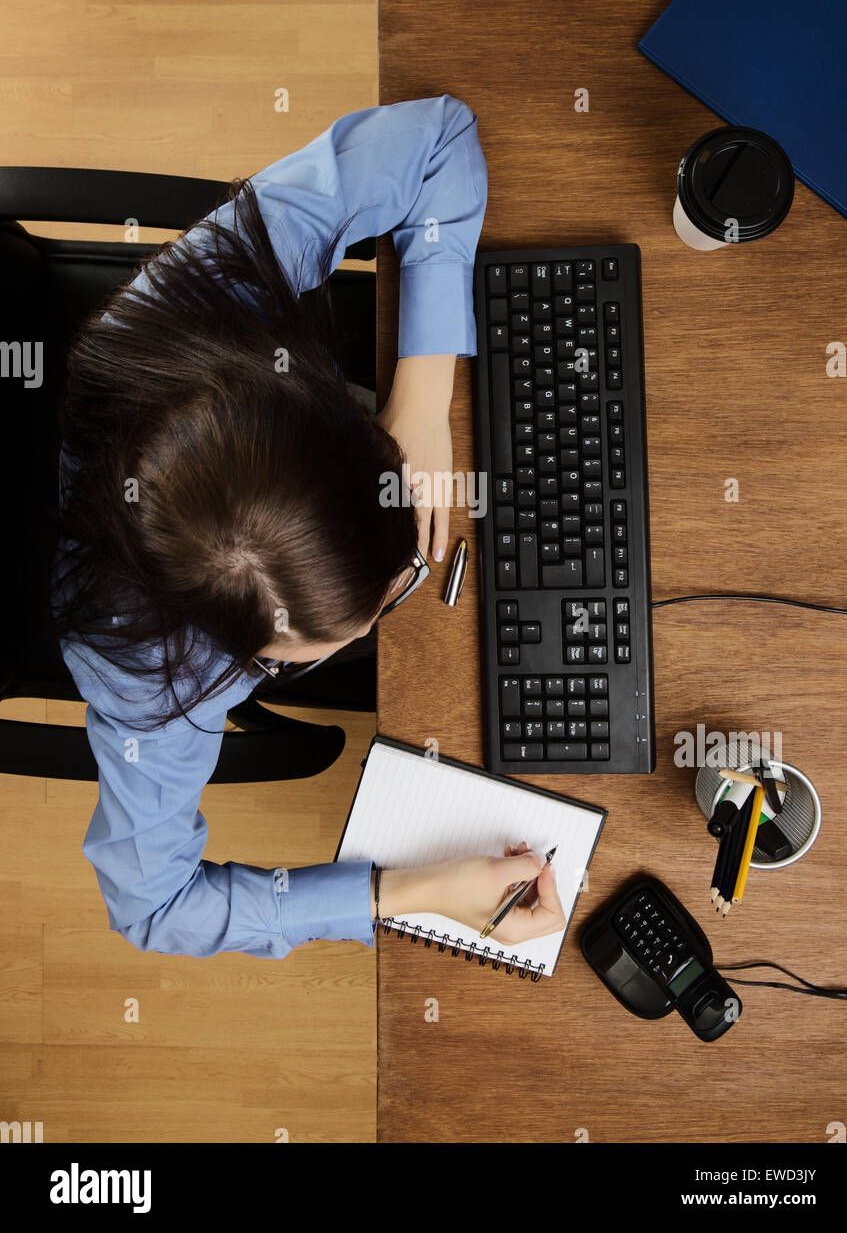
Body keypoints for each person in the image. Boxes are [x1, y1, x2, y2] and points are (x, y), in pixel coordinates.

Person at [50, 94, 566, 959]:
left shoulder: (205, 295)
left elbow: (440, 135)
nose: (408, 585)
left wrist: (424, 400)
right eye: (361, 617)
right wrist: (418, 891)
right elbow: (153, 911)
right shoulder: (147, 686)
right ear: (253, 655)